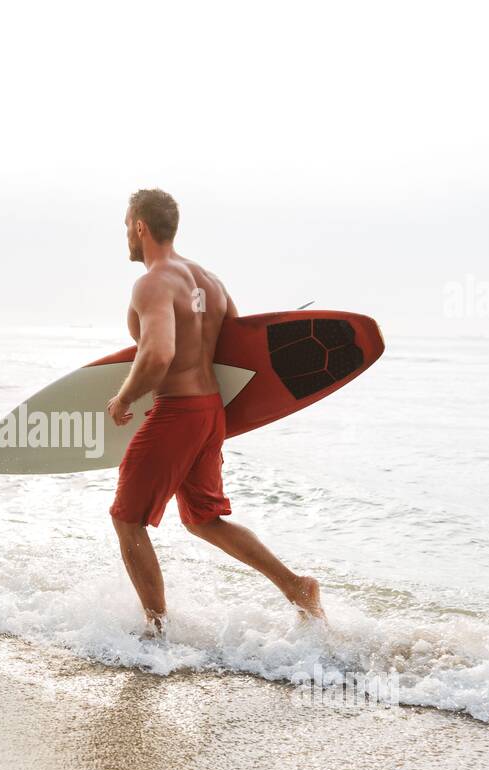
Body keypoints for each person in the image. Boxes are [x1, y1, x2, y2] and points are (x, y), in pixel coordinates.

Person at [106, 188, 325, 634]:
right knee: (204, 520)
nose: (126, 233)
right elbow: (238, 351)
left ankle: (155, 631)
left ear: (141, 226)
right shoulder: (210, 281)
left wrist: (124, 397)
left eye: (127, 224)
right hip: (210, 413)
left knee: (126, 518)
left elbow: (158, 355)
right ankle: (296, 587)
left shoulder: (153, 283)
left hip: (177, 414)